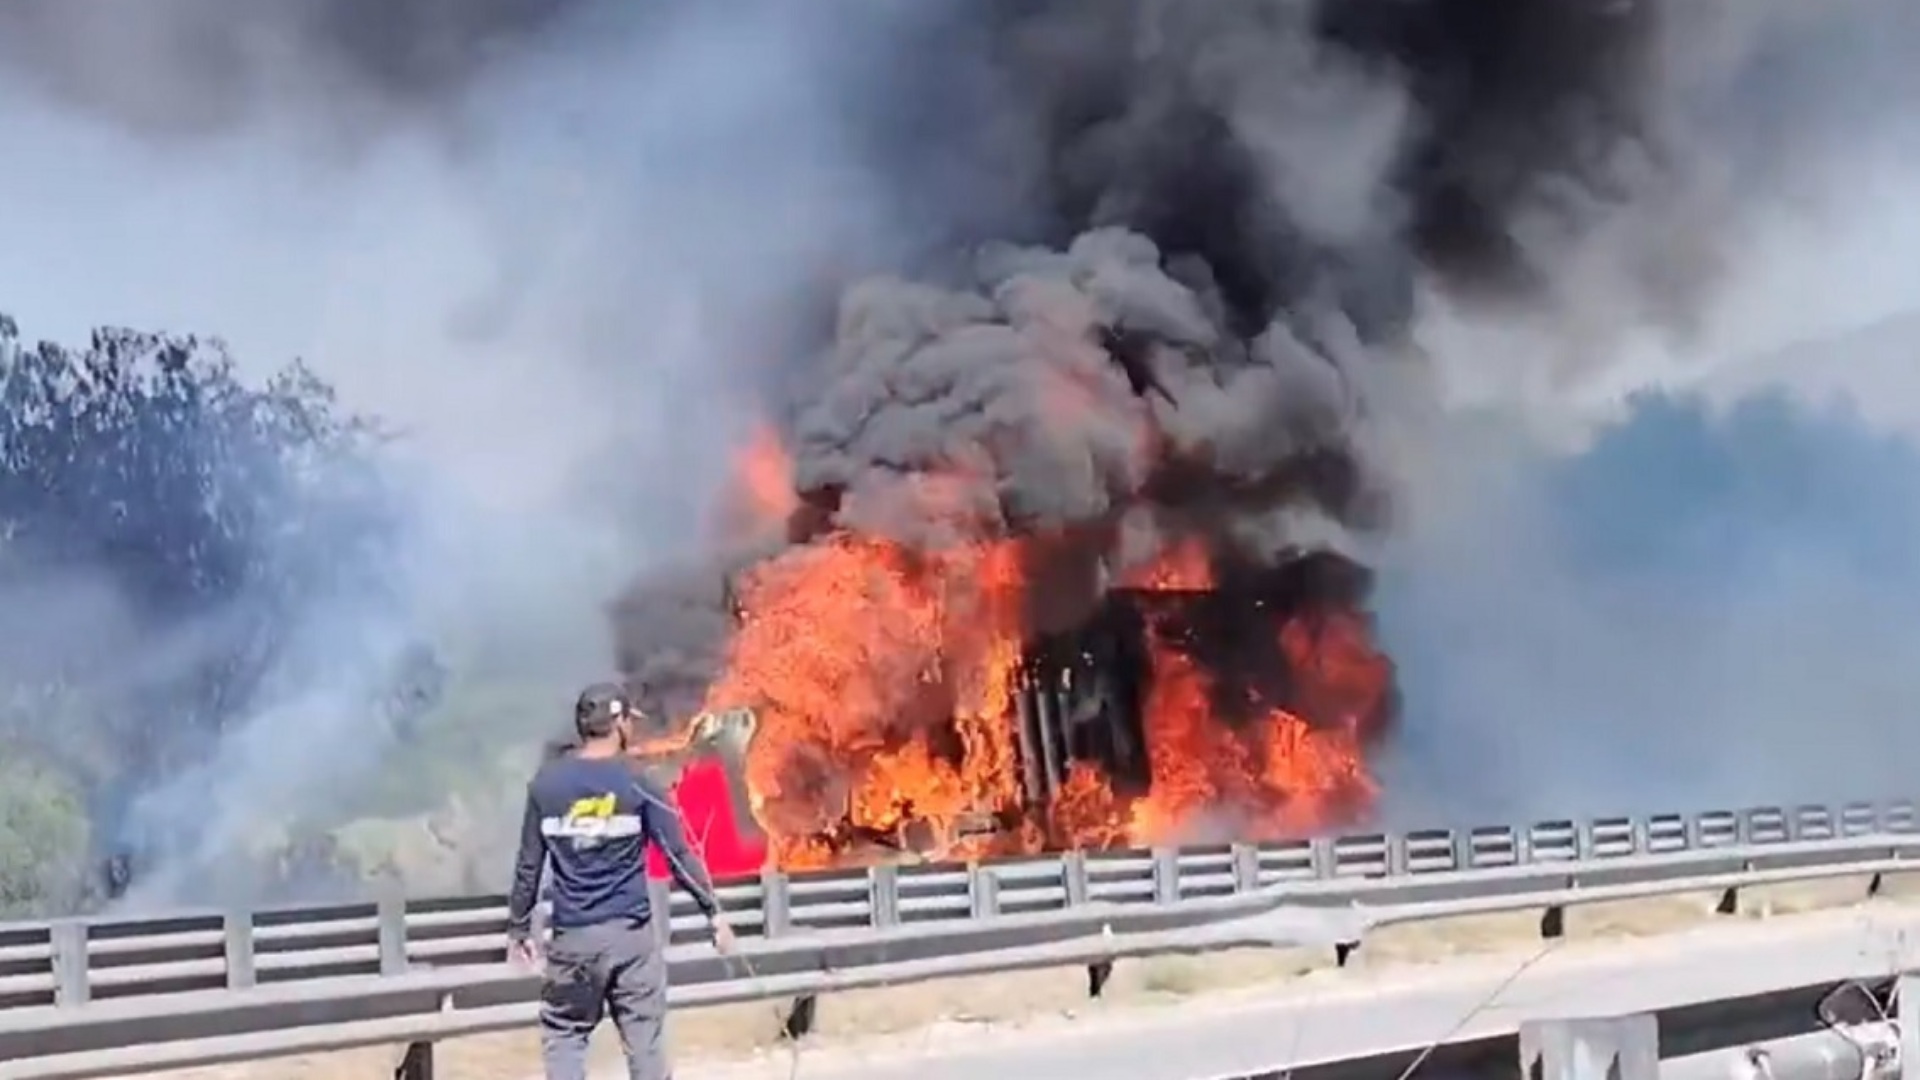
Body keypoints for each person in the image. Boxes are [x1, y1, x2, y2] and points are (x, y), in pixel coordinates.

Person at [507, 682, 737, 1080]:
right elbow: (677, 855)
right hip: (631, 939)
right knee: (644, 1041)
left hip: (573, 938)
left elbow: (529, 864)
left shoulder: (546, 786)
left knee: (565, 1035)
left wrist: (518, 928)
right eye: (628, 720)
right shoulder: (639, 783)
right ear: (617, 724)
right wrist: (713, 913)